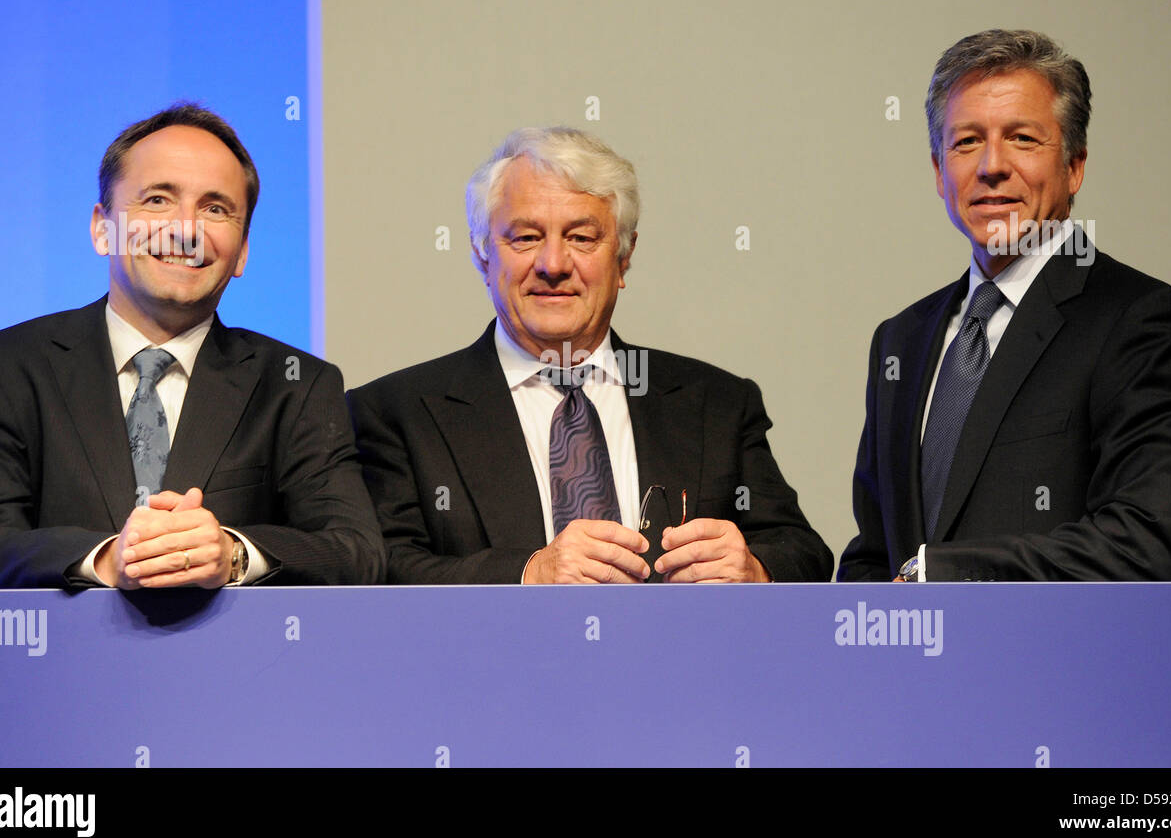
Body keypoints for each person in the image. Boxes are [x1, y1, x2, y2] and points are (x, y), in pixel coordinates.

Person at [348, 127, 831, 584]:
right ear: (482, 256)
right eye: (525, 237)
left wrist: (753, 568)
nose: (553, 265)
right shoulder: (394, 414)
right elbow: (380, 570)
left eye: (581, 238)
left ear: (623, 258)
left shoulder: (717, 404)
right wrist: (529, 573)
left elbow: (802, 552)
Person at [0, 103, 384, 589]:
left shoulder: (296, 385)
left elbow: (356, 553)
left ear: (241, 251)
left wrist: (233, 553)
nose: (186, 230)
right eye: (157, 200)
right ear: (101, 228)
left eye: (215, 209)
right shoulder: (3, 369)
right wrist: (107, 559)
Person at [838, 29, 1171, 582]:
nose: (991, 165)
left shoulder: (1143, 321)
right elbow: (877, 556)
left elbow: (1147, 543)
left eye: (1022, 139)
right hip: (911, 667)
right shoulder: (901, 339)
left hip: (1057, 666)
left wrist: (941, 572)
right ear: (940, 172)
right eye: (966, 142)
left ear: (1075, 166)